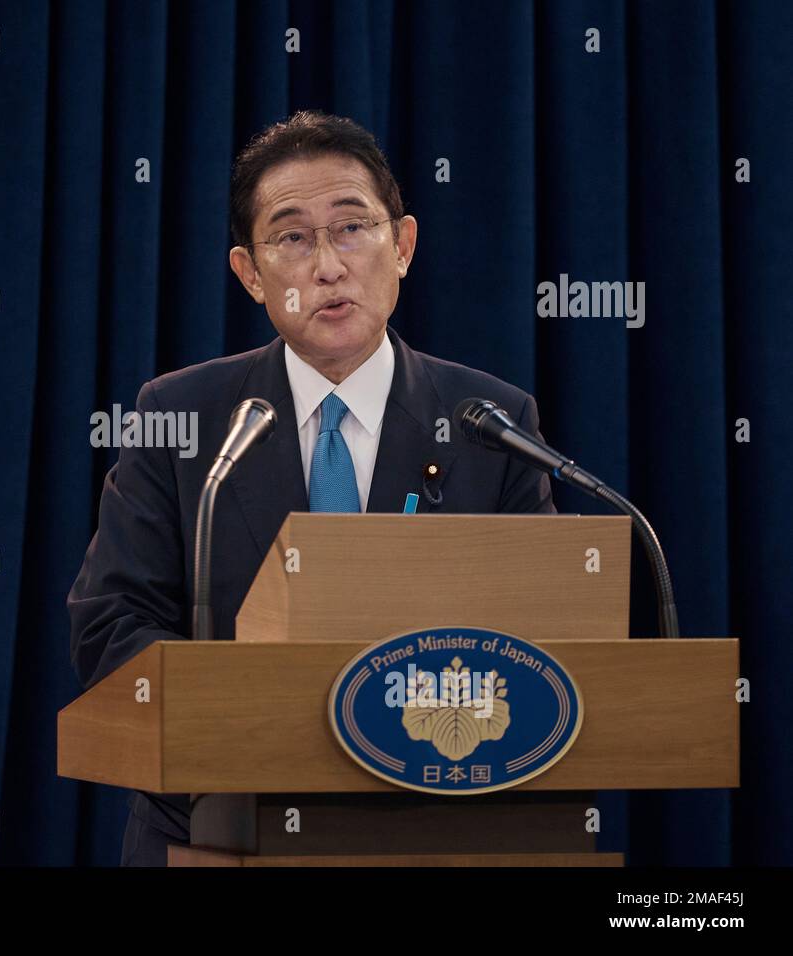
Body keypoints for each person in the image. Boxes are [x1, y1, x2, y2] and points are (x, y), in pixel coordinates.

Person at [67, 110, 557, 867]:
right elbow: (111, 622)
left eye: (353, 228)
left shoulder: (490, 425)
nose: (328, 266)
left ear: (403, 247)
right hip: (215, 836)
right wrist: (262, 718)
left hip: (433, 831)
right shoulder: (182, 417)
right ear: (250, 274)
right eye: (292, 237)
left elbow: (539, 641)